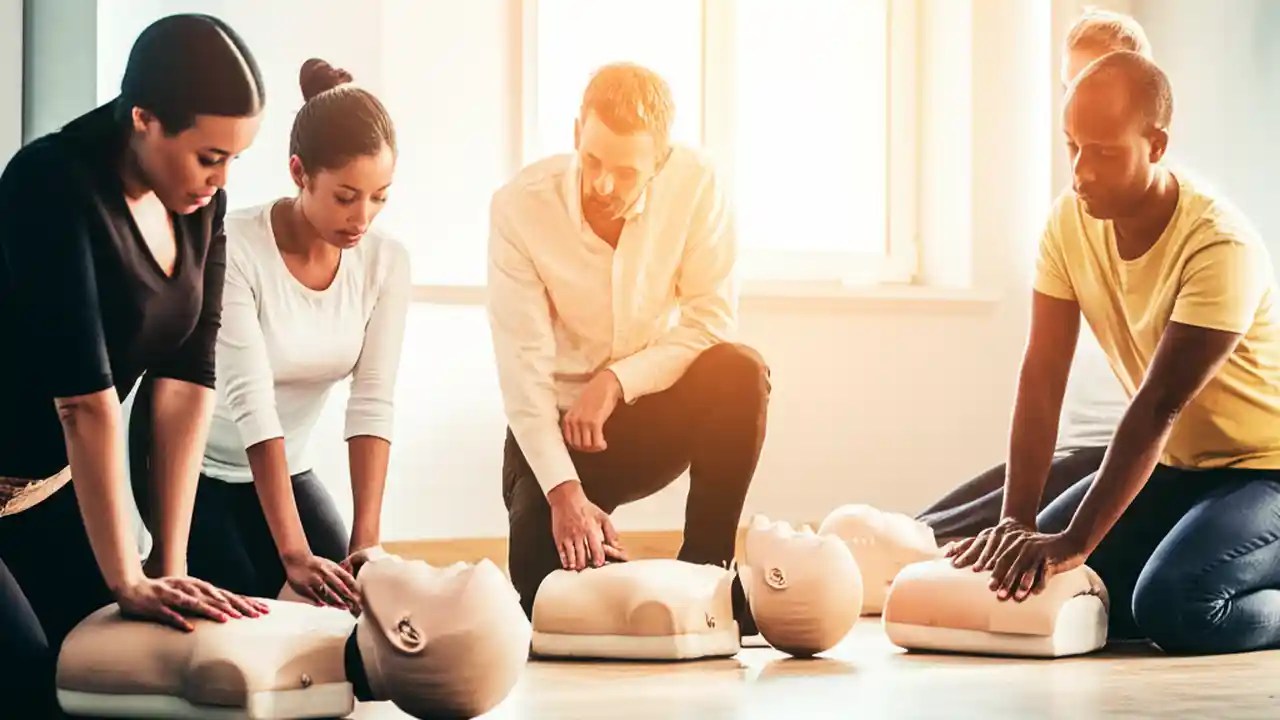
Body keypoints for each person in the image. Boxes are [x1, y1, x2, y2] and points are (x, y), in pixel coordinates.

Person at [949, 51, 1280, 656]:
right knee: (1043, 575)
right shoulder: (1067, 224)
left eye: (1103, 152)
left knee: (1174, 606)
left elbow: (1159, 405)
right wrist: (1017, 520)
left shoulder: (1219, 245)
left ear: (1155, 145)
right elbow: (1043, 375)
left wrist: (1078, 540)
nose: (1081, 173)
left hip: (1266, 471)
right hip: (1182, 471)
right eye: (1072, 146)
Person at [0, 14, 270, 715]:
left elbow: (185, 385)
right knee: (29, 677)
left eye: (235, 159)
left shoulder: (199, 205)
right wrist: (124, 575)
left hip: (42, 489)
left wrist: (167, 565)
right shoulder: (48, 183)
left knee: (119, 671)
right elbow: (82, 402)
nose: (221, 178)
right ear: (144, 119)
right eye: (210, 155)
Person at [486, 62, 770, 620]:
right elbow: (523, 373)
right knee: (546, 596)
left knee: (739, 371)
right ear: (576, 134)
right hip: (554, 433)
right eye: (591, 160)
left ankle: (705, 575)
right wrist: (564, 493)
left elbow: (710, 321)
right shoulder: (519, 207)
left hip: (645, 415)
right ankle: (613, 570)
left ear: (659, 163)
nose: (602, 185)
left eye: (624, 171)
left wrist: (617, 381)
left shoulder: (697, 185)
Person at [131, 59, 410, 610]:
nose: (362, 218)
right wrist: (292, 553)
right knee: (252, 606)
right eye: (345, 196)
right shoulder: (234, 245)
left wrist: (366, 542)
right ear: (299, 172)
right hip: (192, 461)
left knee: (347, 601)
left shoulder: (386, 262)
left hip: (288, 465)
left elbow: (373, 402)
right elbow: (252, 402)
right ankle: (152, 571)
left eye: (380, 196)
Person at [917, 7, 1147, 542]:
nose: (1079, 103)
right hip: (1079, 447)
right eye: (1071, 86)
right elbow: (1042, 373)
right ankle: (879, 542)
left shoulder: (1177, 216)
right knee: (942, 520)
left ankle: (891, 551)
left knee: (968, 537)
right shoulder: (1070, 217)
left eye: (1096, 83)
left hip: (1136, 457)